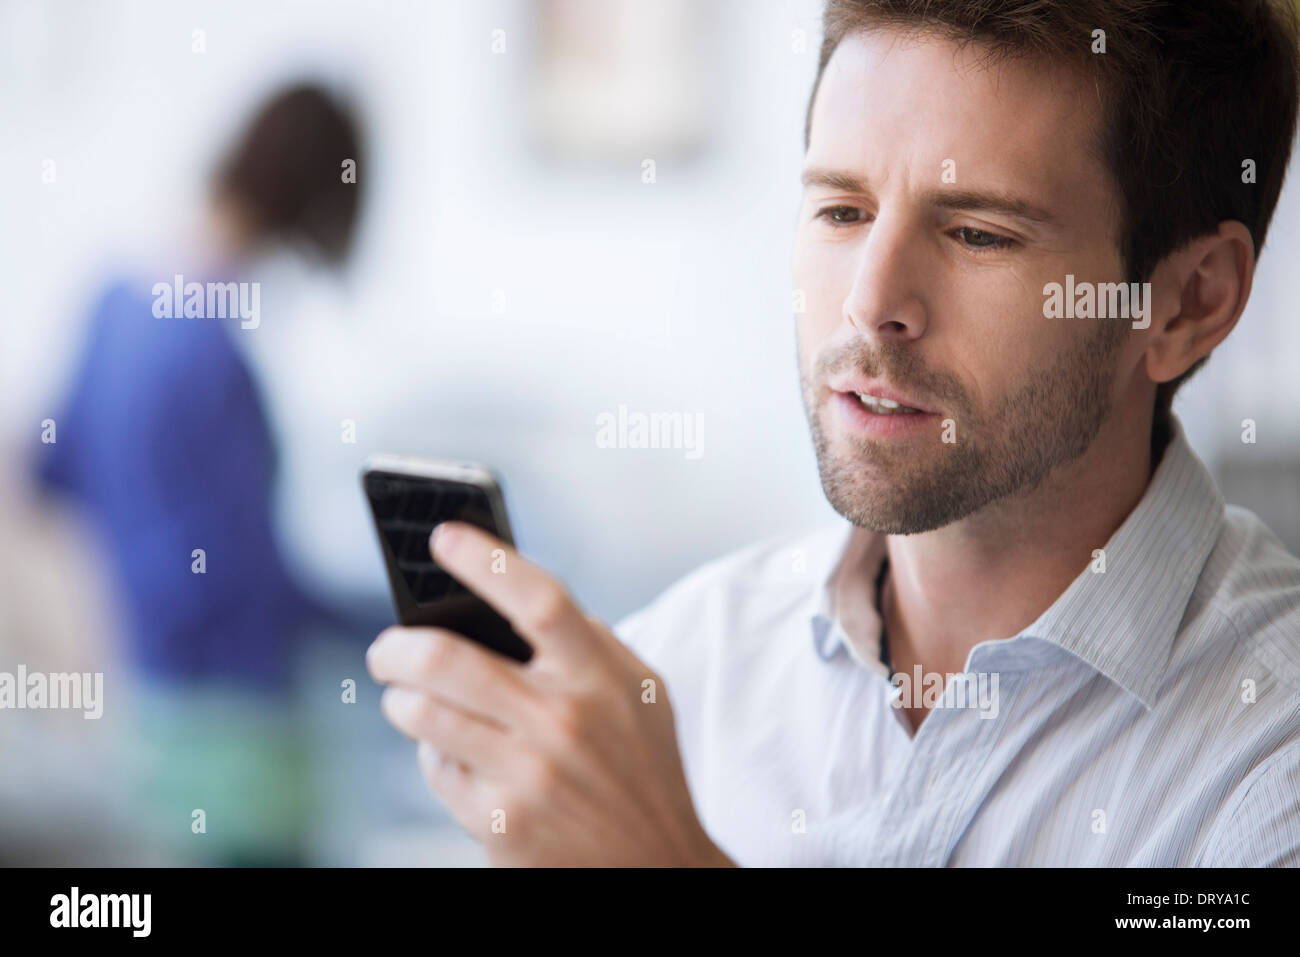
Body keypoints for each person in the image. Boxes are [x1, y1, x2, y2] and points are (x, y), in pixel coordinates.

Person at [366, 0, 1300, 866]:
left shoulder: (1268, 758)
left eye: (977, 233)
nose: (870, 302)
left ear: (1189, 301)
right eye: (842, 211)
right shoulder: (675, 669)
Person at [37, 83, 366, 865]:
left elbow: (49, 475)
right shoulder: (212, 358)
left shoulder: (114, 305)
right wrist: (396, 623)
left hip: (149, 721)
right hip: (244, 745)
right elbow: (254, 586)